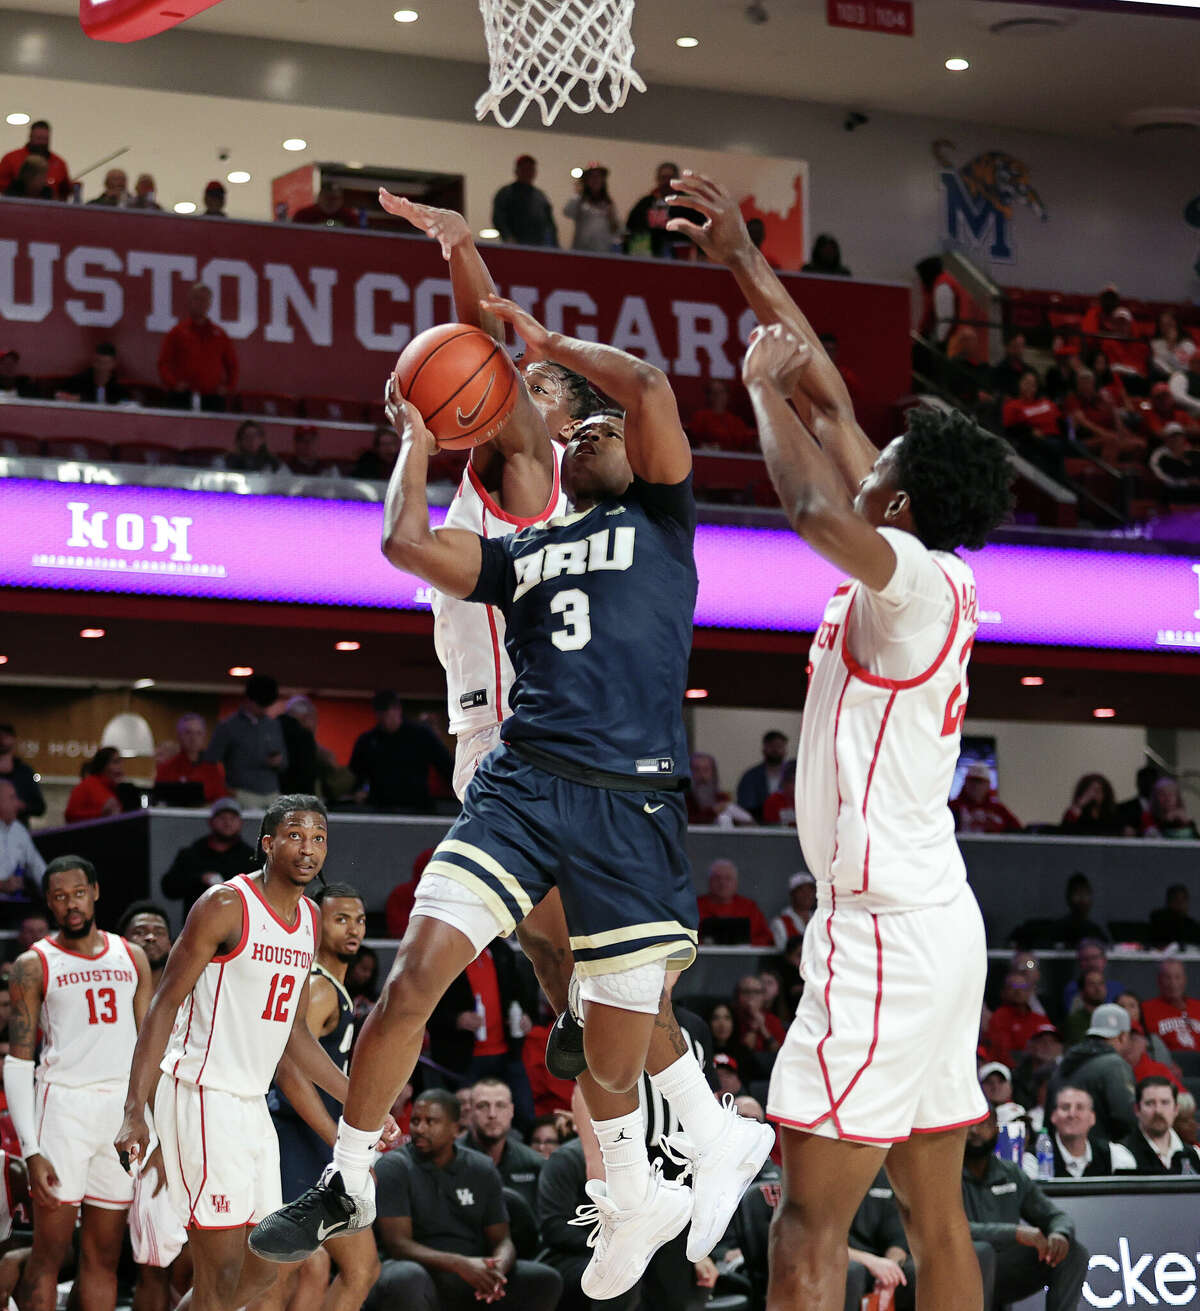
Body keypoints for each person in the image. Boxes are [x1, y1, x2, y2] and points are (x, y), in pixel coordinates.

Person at [249, 295, 774, 1298]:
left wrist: (547, 342)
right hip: (520, 785)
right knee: (414, 978)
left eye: (604, 429)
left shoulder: (664, 524)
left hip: (626, 806)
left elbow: (647, 385)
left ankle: (665, 1167)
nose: (592, 435)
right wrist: (414, 442)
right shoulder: (522, 551)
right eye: (581, 431)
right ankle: (348, 1176)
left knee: (603, 1049)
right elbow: (405, 546)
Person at [664, 170, 1012, 1311]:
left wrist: (757, 392)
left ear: (900, 503)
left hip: (882, 935)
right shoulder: (926, 564)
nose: (870, 458)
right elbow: (826, 386)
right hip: (934, 917)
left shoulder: (906, 575)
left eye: (886, 461)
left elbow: (813, 500)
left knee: (806, 1224)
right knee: (934, 1214)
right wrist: (740, 259)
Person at [115, 796, 381, 1311]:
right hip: (202, 1095)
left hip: (252, 1105)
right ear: (268, 843)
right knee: (220, 1274)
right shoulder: (225, 905)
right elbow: (163, 1007)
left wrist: (360, 1103)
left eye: (319, 838)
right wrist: (134, 1111)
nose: (308, 848)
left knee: (267, 1267)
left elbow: (294, 1036)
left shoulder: (309, 918)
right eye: (295, 836)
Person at [4, 856, 152, 1311]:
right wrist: (31, 1149)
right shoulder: (33, 964)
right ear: (49, 902)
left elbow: (148, 1047)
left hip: (119, 1115)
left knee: (103, 1257)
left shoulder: (132, 956)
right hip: (62, 1111)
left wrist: (149, 1118)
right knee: (48, 1255)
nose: (71, 904)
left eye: (79, 893)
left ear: (95, 892)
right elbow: (18, 1061)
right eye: (60, 896)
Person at [266, 882, 380, 1311]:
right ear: (315, 925)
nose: (353, 929)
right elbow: (288, 1069)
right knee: (275, 1275)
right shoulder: (317, 987)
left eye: (360, 920)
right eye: (340, 919)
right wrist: (337, 1140)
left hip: (319, 1142)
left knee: (362, 1268)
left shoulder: (334, 986)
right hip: (296, 1141)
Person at [367, 1089, 562, 1311]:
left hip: (472, 1267)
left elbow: (503, 1240)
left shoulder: (481, 1168)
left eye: (431, 1122)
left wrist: (496, 1270)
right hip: (420, 1268)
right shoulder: (394, 1166)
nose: (420, 1129)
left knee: (544, 1280)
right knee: (407, 1277)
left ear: (455, 1129)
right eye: (415, 1121)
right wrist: (459, 1264)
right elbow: (398, 1245)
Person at [117, 903, 189, 1311]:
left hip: (189, 1125)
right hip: (138, 1131)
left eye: (158, 931)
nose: (149, 937)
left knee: (199, 1260)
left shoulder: (196, 989)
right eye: (139, 931)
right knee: (153, 1263)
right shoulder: (114, 997)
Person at [961, 1109, 1089, 1311]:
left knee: (1072, 1252)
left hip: (1004, 1266)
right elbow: (950, 1230)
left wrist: (1059, 1233)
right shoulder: (946, 1175)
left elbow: (1055, 1216)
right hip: (960, 1266)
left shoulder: (1010, 1172)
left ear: (996, 1129)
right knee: (982, 1252)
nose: (975, 1131)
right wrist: (1014, 1233)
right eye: (969, 1125)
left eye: (983, 1124)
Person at [1045, 1003, 1137, 1142]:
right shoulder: (1115, 1064)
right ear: (1123, 1036)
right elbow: (1126, 1117)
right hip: (1100, 1150)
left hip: (1059, 1148)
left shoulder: (1065, 1062)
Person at [348, 691, 452, 811]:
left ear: (398, 710)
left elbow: (446, 766)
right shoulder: (367, 741)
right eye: (381, 713)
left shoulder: (421, 735)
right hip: (381, 807)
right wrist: (358, 791)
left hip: (417, 807)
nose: (385, 719)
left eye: (388, 712)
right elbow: (355, 774)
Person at [160, 798, 259, 911]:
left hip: (237, 919)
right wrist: (199, 879)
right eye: (222, 818)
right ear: (211, 822)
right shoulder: (192, 854)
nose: (227, 823)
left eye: (232, 818)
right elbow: (169, 888)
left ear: (241, 823)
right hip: (199, 918)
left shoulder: (250, 857)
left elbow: (262, 893)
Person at [462, 1077, 545, 1213]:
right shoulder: (448, 1159)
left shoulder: (534, 1164)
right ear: (470, 1111)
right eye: (483, 1106)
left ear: (511, 1110)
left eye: (500, 1105)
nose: (492, 1114)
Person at [204, 673, 286, 807]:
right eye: (261, 704)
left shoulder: (273, 725)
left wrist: (279, 762)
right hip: (243, 794)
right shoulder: (228, 726)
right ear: (249, 700)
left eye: (267, 705)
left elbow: (285, 761)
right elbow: (211, 760)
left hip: (272, 794)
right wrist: (226, 789)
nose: (264, 709)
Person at [158, 282, 239, 412]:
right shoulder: (177, 332)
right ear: (189, 302)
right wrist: (173, 383)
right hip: (182, 396)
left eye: (204, 300)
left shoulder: (219, 334)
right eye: (196, 299)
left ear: (210, 304)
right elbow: (163, 363)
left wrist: (228, 387)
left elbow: (233, 365)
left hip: (212, 397)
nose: (200, 303)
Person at [1024, 1085, 1135, 1178]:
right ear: (1053, 1116)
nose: (1072, 1114)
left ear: (1092, 1118)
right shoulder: (1033, 1160)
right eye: (1065, 1107)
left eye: (1080, 1108)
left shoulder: (1115, 1155)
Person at [1118, 1077, 1200, 1175]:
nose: (1158, 1110)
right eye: (1149, 1103)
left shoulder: (1195, 1155)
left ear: (1176, 1109)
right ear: (1137, 1109)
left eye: (1165, 1102)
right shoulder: (1121, 1153)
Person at [624, 162, 701, 260]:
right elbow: (630, 227)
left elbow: (700, 231)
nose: (667, 181)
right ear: (657, 179)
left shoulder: (688, 203)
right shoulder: (645, 203)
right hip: (647, 257)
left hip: (680, 258)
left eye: (670, 178)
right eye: (663, 178)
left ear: (677, 180)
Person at [154, 712, 228, 805]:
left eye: (198, 733)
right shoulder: (166, 769)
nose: (193, 738)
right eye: (188, 733)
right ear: (179, 736)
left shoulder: (216, 769)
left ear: (204, 736)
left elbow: (222, 800)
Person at [696, 860, 773, 947]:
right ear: (709, 881)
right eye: (717, 878)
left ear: (736, 882)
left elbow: (766, 938)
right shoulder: (695, 906)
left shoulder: (749, 907)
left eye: (728, 878)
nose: (722, 883)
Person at [492, 155, 557, 247]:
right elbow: (499, 218)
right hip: (516, 246)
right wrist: (508, 238)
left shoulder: (540, 196)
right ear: (517, 171)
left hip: (539, 246)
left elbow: (549, 223)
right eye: (524, 169)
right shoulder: (506, 193)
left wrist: (553, 244)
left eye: (530, 169)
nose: (527, 173)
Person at [985, 973, 1045, 1068]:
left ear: (1030, 991)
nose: (1018, 991)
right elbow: (1002, 1051)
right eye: (1013, 987)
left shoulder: (1039, 1019)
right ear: (1004, 992)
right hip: (1009, 1069)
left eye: (1023, 987)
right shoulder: (999, 1017)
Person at [0, 120, 71, 199]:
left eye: (45, 139)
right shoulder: (10, 159)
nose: (42, 142)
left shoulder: (59, 163)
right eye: (38, 138)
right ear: (30, 137)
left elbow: (65, 193)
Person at [1141, 958, 1200, 1052]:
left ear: (1185, 980)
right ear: (1159, 981)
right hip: (1167, 1059)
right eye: (1167, 978)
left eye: (1177, 977)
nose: (1173, 983)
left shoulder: (1197, 1007)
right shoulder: (1145, 1009)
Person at [0, 780, 43, 907]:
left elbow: (39, 869)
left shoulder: (19, 830)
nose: (18, 804)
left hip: (15, 906)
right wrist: (1, 885)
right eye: (12, 797)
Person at [687, 379, 756, 453]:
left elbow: (745, 446)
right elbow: (692, 441)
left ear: (727, 395)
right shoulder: (700, 417)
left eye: (721, 392)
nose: (717, 396)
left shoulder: (736, 421)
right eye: (713, 392)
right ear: (708, 396)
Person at [949, 763, 1022, 834]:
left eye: (980, 782)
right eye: (972, 781)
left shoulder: (999, 810)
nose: (975, 786)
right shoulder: (953, 807)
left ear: (988, 784)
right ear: (965, 783)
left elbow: (1018, 832)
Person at [563, 163, 619, 253]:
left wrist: (611, 218)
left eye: (598, 177)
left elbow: (617, 229)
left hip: (603, 252)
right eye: (592, 177)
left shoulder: (608, 204)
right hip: (581, 251)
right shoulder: (580, 201)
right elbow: (567, 212)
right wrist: (579, 193)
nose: (595, 180)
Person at [735, 730, 790, 822]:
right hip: (758, 825)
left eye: (779, 746)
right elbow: (746, 807)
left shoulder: (794, 776)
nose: (775, 750)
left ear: (785, 749)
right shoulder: (750, 777)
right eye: (771, 746)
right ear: (764, 748)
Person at [686, 753, 752, 827]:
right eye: (696, 770)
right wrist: (713, 811)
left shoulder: (722, 797)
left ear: (713, 773)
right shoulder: (683, 799)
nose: (702, 775)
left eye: (706, 770)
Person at [64, 746, 125, 824]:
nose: (120, 767)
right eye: (115, 762)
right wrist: (101, 814)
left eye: (121, 762)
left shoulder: (114, 790)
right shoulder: (86, 786)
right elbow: (70, 816)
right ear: (103, 765)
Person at [56, 342, 130, 405]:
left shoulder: (119, 391)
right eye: (98, 362)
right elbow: (58, 395)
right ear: (93, 362)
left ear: (113, 364)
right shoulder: (77, 383)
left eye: (105, 363)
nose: (101, 367)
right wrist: (71, 398)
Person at [0, 724, 45, 824]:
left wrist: (22, 806)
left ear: (13, 739)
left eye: (5, 737)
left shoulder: (25, 772)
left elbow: (39, 807)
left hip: (18, 827)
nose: (2, 740)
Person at [1050, 877, 1110, 950]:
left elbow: (1108, 949)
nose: (1082, 899)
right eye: (1077, 893)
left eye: (1086, 893)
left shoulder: (1094, 930)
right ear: (1068, 897)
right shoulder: (1058, 928)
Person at [1059, 774, 1128, 837]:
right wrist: (1079, 806)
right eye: (1089, 791)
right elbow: (1065, 832)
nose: (1093, 794)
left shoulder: (1113, 814)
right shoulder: (1075, 813)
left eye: (1097, 791)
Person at [769, 871, 816, 950]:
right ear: (792, 894)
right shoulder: (780, 923)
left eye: (810, 890)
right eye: (802, 891)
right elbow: (783, 952)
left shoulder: (820, 919)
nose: (807, 895)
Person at [1149, 884, 1200, 948]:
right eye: (1176, 899)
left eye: (1183, 900)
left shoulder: (1192, 926)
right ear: (1169, 902)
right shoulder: (1160, 920)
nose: (1180, 904)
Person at [292, 181, 359, 228]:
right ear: (319, 198)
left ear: (341, 200)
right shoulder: (304, 215)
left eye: (335, 198)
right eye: (327, 198)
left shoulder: (350, 217)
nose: (331, 202)